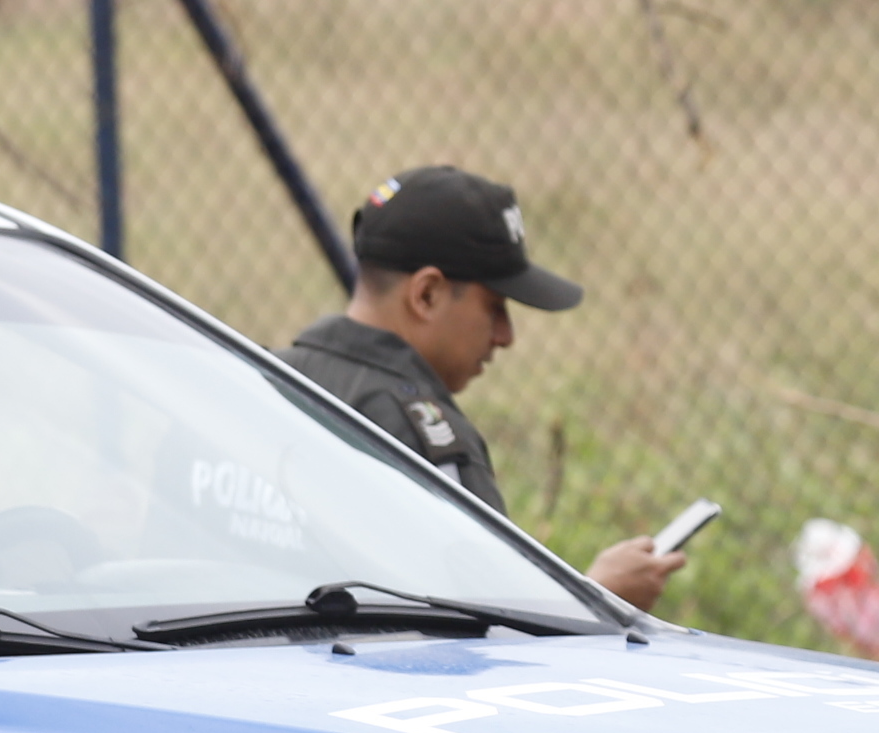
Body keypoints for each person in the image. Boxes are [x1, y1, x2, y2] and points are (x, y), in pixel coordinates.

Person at [281, 166, 682, 611]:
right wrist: (599, 599)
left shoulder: (259, 383)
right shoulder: (425, 439)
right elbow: (491, 633)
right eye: (495, 307)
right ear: (427, 295)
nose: (505, 336)